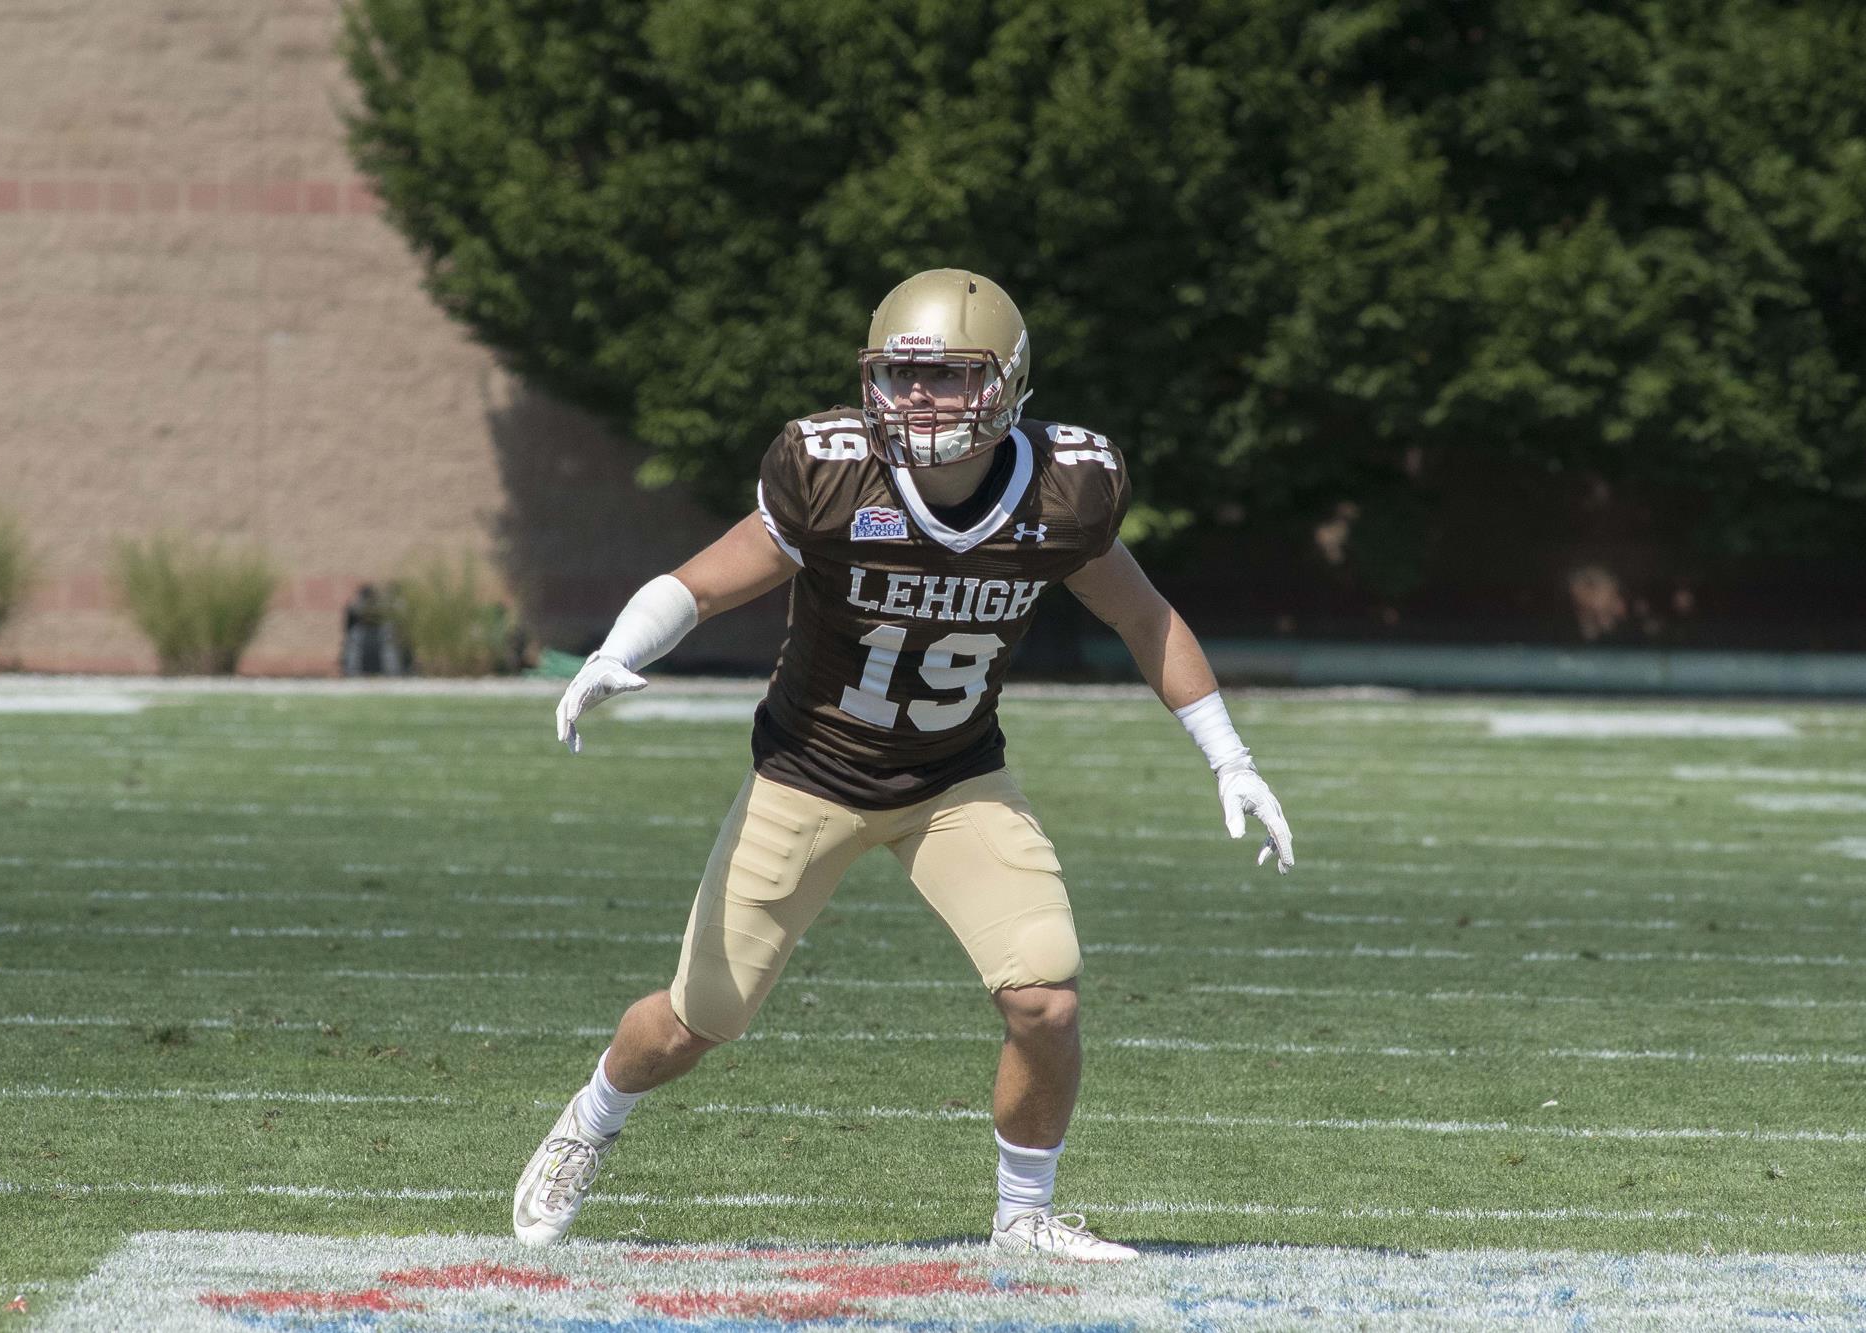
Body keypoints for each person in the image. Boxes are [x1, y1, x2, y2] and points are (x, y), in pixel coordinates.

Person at [515, 269, 1295, 1261]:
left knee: (1044, 997)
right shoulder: (834, 471)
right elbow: (705, 581)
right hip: (806, 772)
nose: (916, 399)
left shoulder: (1064, 488)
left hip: (954, 780)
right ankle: (590, 1119)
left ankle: (1021, 1214)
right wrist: (616, 650)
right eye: (899, 375)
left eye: (947, 376)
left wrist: (1227, 757)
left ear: (1007, 383)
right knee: (695, 1021)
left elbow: (1142, 616)